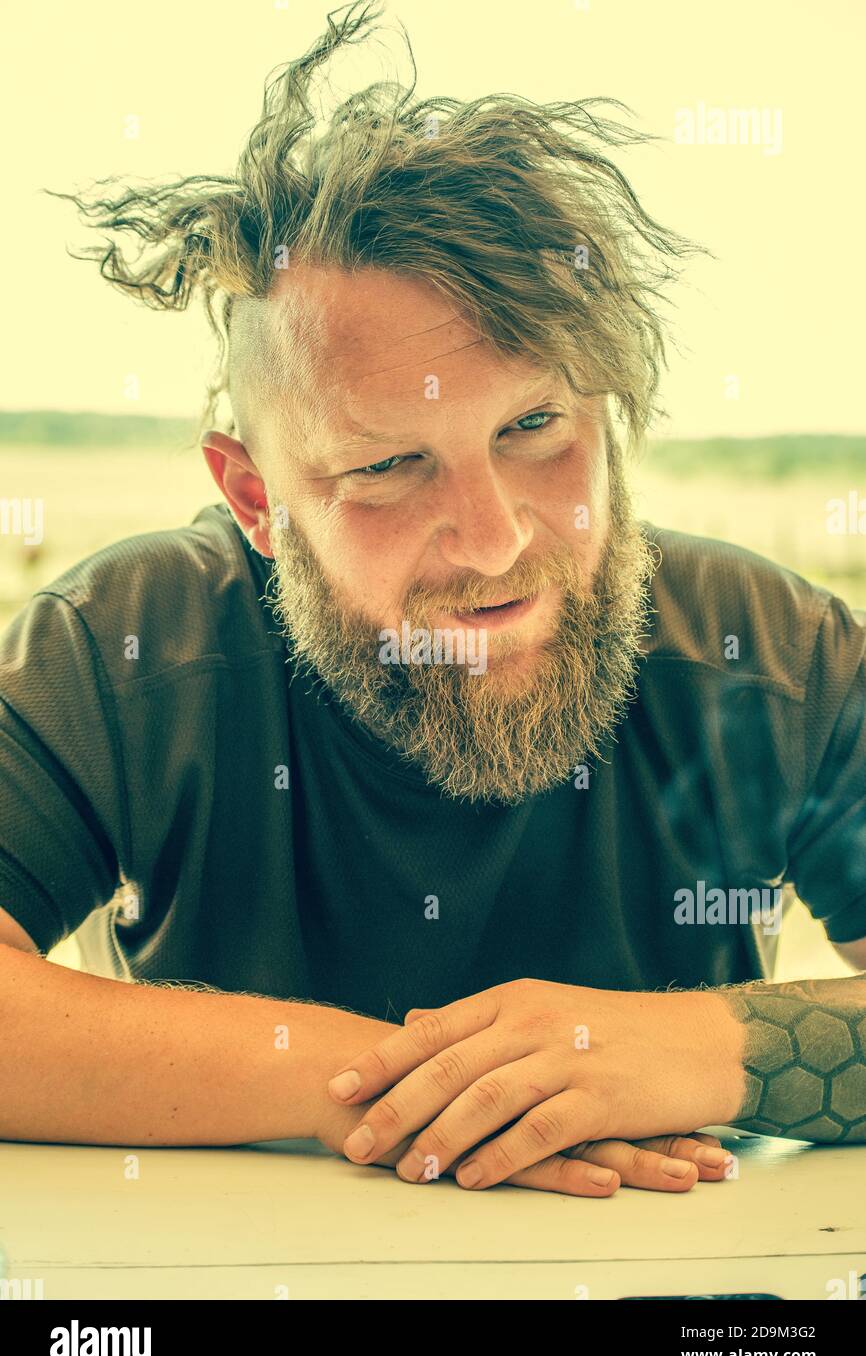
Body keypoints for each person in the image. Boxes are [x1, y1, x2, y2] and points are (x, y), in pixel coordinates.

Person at [1, 1, 864, 1197]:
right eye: (386, 467)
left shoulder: (769, 654)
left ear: (605, 417)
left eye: (533, 426)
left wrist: (702, 1048)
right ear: (255, 498)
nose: (494, 537)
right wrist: (395, 1081)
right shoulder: (126, 648)